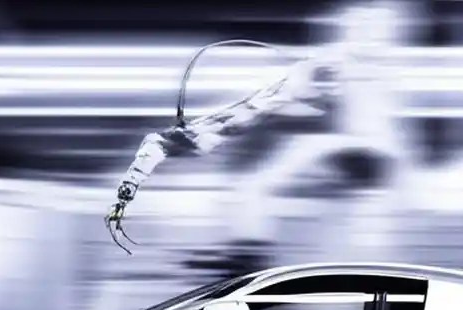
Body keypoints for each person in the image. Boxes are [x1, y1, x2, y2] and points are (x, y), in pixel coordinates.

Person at [106, 2, 408, 276]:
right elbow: (275, 103)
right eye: (363, 27)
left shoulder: (338, 63)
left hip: (360, 150)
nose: (368, 36)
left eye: (372, 28)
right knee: (260, 179)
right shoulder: (352, 64)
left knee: (254, 182)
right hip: (368, 153)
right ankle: (249, 252)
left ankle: (250, 255)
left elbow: (264, 105)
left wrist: (202, 135)